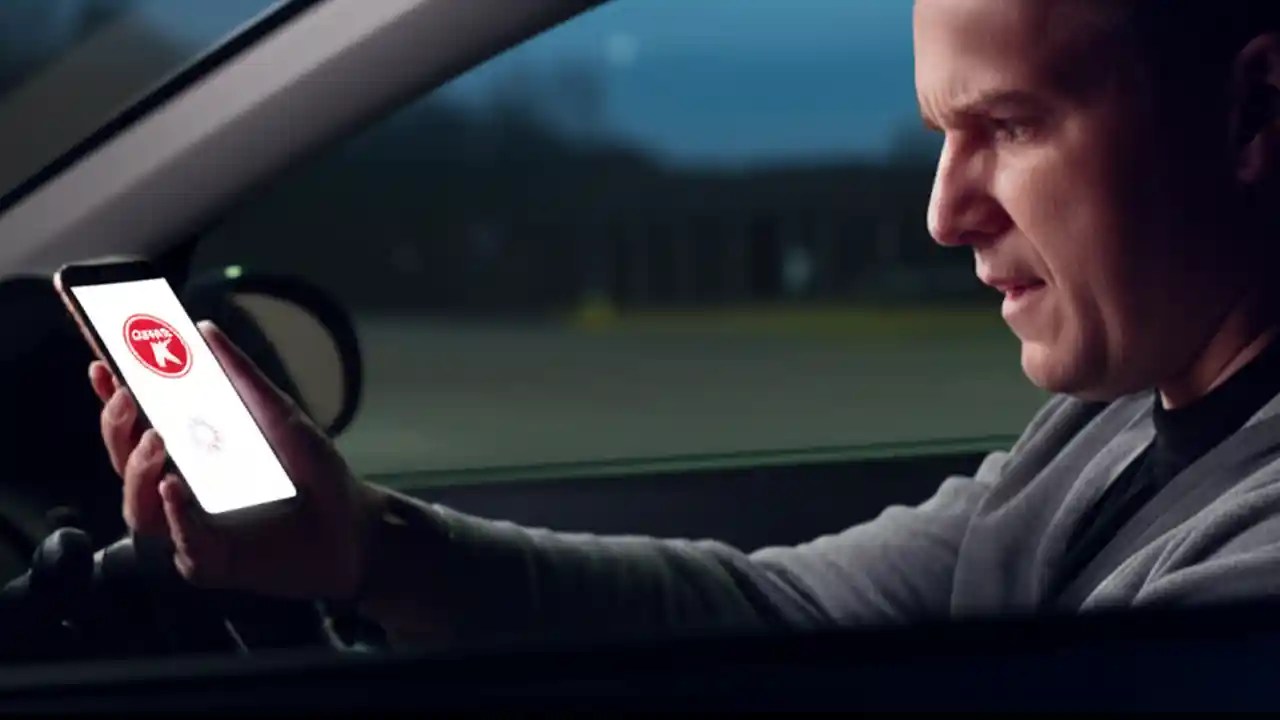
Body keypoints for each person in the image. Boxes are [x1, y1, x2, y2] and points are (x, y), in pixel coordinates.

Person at [89, 0, 1280, 649]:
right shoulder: (1109, 425)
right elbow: (786, 614)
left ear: (1251, 111)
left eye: (1009, 126)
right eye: (938, 136)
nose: (942, 213)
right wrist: (360, 546)